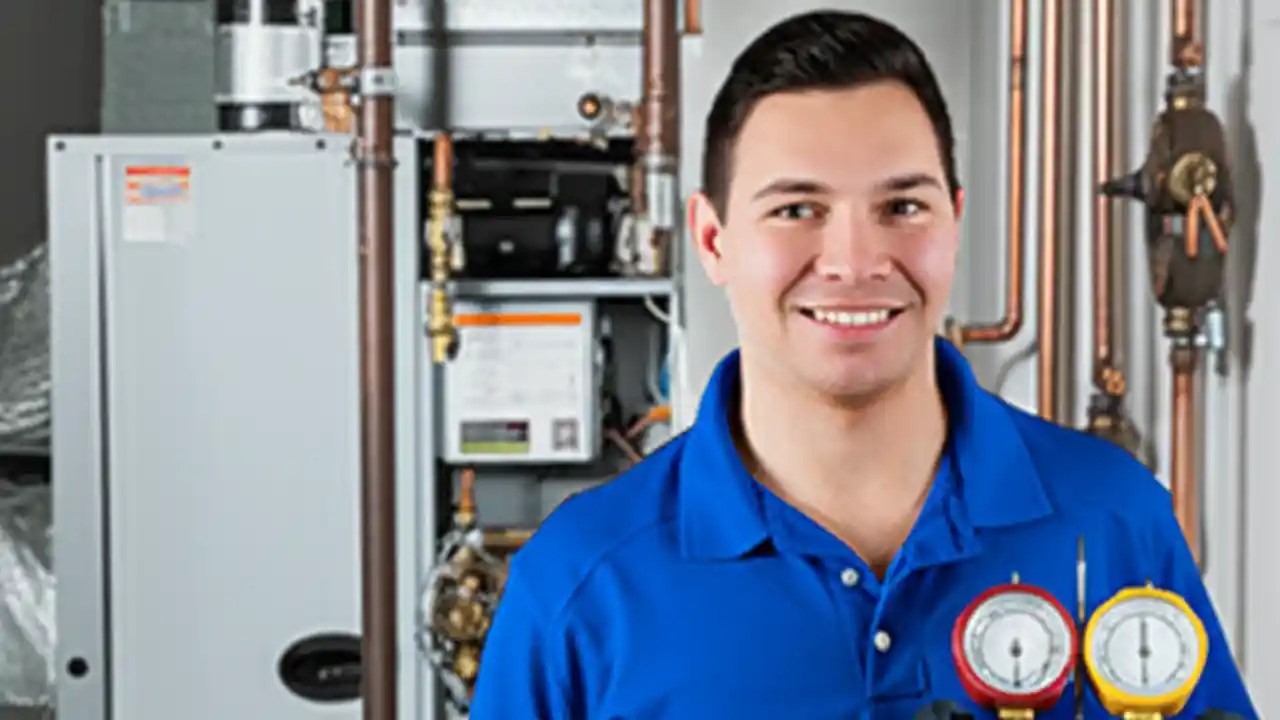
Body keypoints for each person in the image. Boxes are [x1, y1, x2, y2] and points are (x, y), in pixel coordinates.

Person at [469, 10, 1257, 719]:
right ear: (713, 241)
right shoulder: (580, 587)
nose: (854, 261)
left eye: (901, 207)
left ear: (954, 220)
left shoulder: (1115, 520)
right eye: (797, 210)